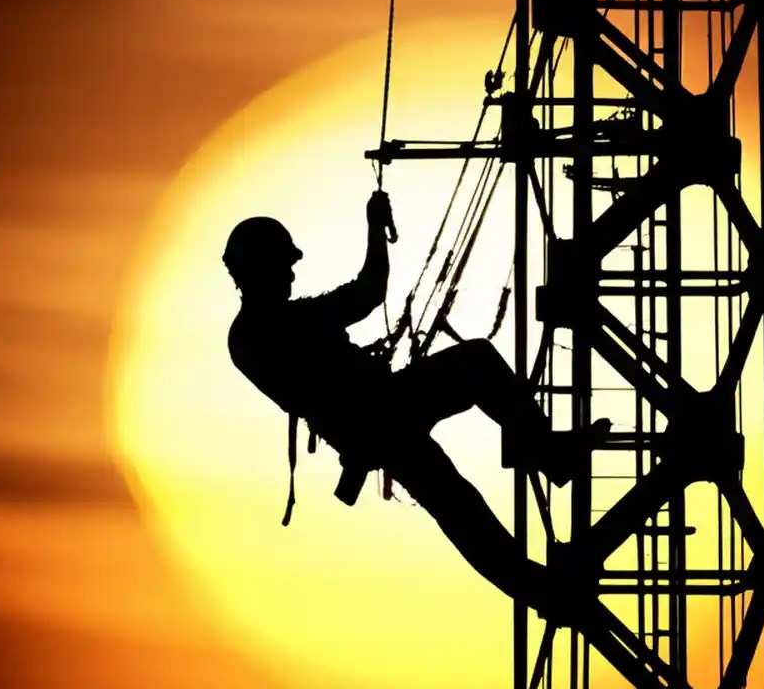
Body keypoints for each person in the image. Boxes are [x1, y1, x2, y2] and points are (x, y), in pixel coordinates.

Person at [224, 190, 608, 614]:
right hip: (380, 414)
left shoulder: (255, 334)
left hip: (373, 426)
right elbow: (368, 292)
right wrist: (374, 226)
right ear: (260, 268)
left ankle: (540, 588)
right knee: (476, 369)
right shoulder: (269, 330)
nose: (291, 278)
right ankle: (549, 458)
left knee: (457, 504)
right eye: (283, 267)